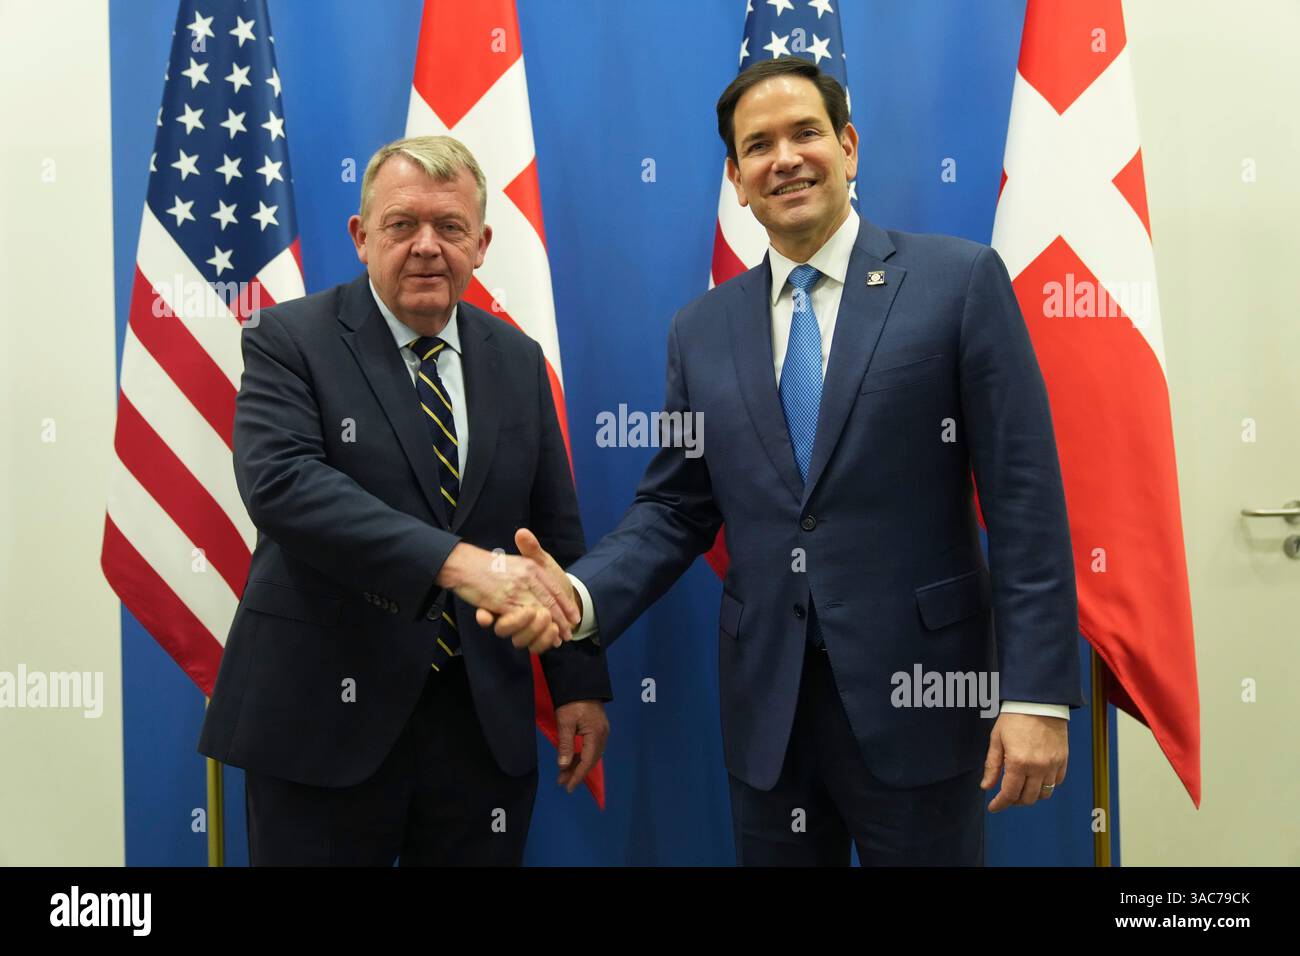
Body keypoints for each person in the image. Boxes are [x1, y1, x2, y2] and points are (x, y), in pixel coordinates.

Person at [487, 58, 1082, 865]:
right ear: (736, 179)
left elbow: (1025, 500)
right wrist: (580, 596)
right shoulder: (701, 329)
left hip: (923, 699)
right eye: (758, 146)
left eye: (806, 133)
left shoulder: (958, 282)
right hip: (767, 709)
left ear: (848, 146)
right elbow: (675, 509)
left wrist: (1039, 693)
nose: (786, 158)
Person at [198, 135, 611, 866]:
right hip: (319, 717)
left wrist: (578, 683)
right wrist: (458, 564)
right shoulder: (289, 338)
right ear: (362, 238)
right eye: (401, 225)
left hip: (478, 725)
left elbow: (553, 534)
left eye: (450, 228)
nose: (426, 246)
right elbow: (283, 486)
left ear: (481, 244)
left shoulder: (516, 359)